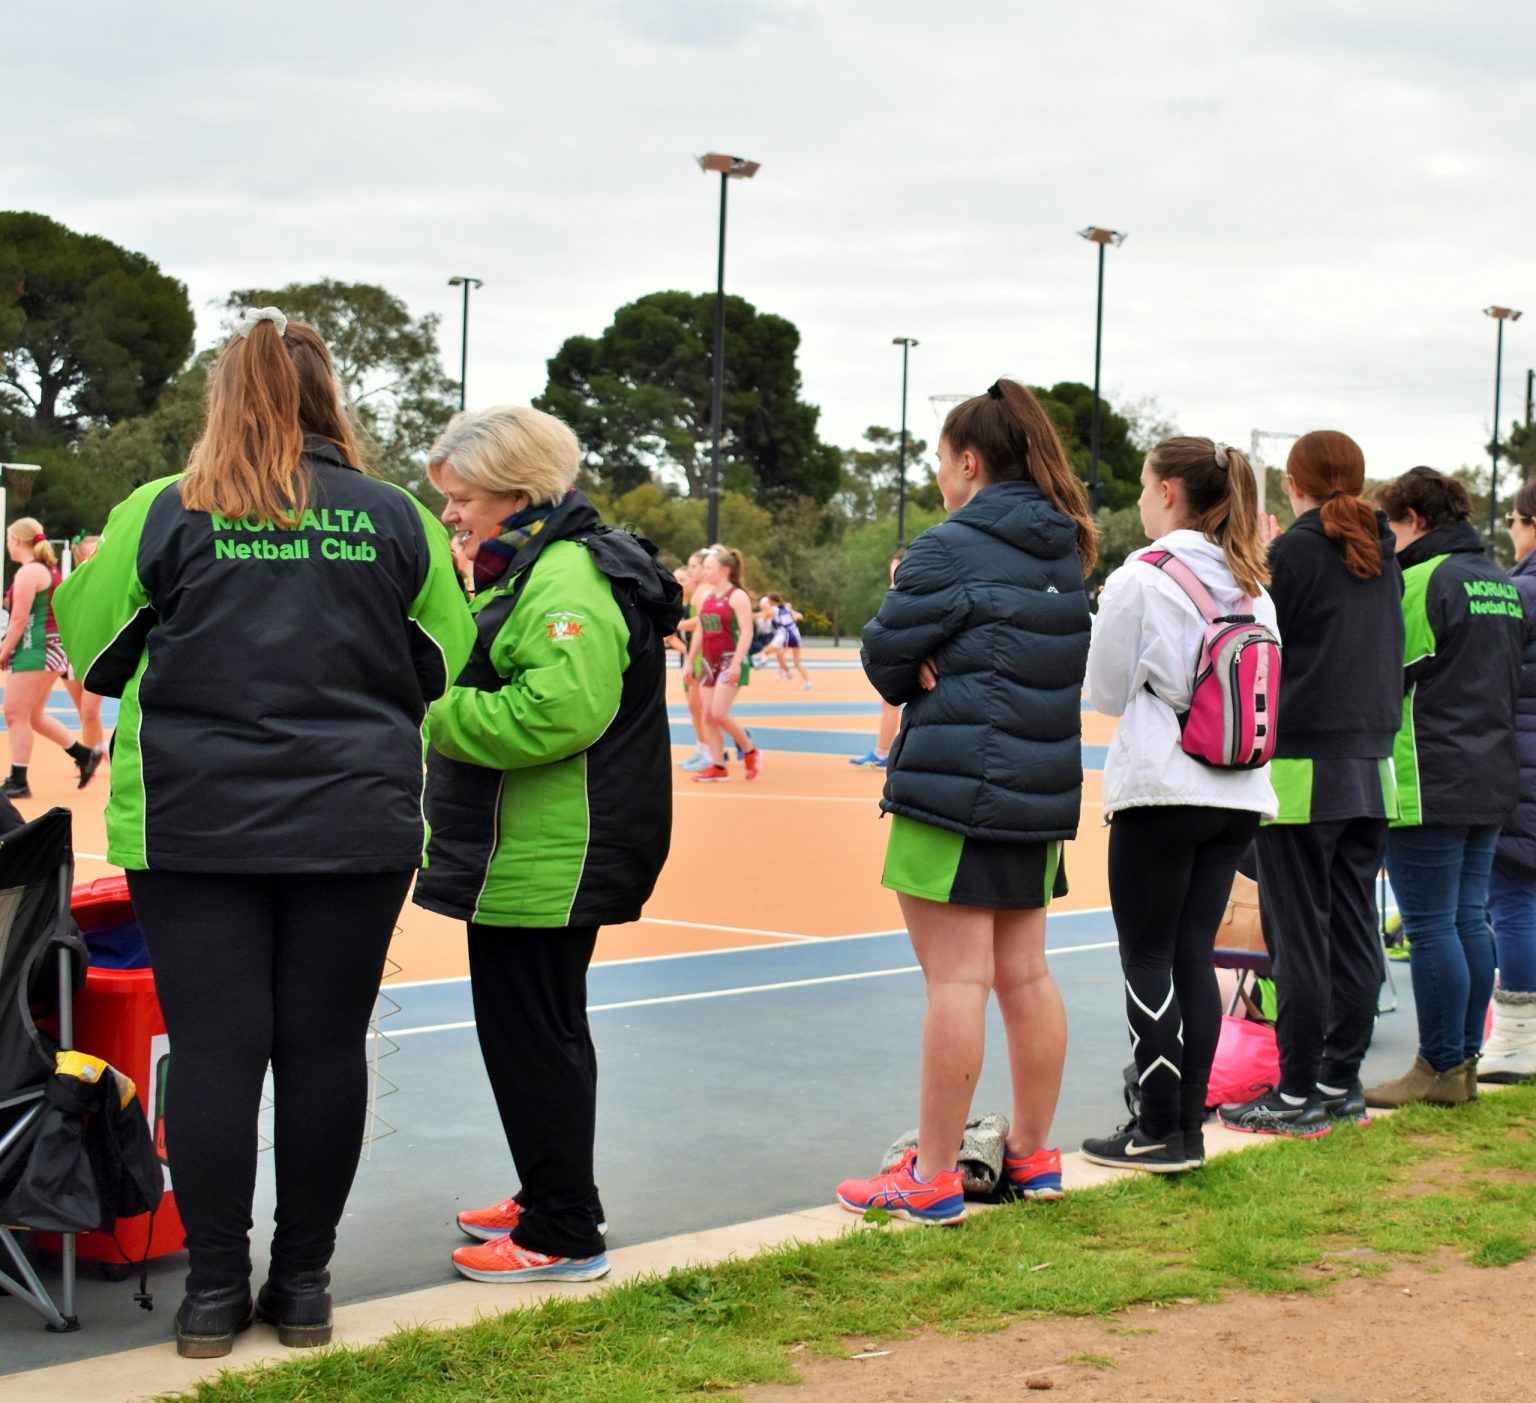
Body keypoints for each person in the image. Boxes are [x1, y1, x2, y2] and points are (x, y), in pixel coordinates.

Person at [53, 307, 475, 1358]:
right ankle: (303, 1285)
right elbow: (446, 661)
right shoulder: (395, 516)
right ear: (329, 396)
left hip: (194, 824)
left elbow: (87, 641)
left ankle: (207, 1294)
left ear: (224, 398)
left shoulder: (163, 508)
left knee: (212, 1051)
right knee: (325, 1046)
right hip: (354, 817)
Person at [414, 405, 679, 1284]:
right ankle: (551, 1194)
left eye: (461, 496)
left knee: (534, 1034)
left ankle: (563, 1231)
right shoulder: (537, 564)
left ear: (521, 490)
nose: (451, 513)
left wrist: (434, 712)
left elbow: (557, 713)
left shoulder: (564, 576)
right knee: (536, 1028)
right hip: (533, 844)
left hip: (553, 846)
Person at [834, 379, 1095, 1224]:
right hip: (1040, 790)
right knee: (1026, 976)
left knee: (955, 980)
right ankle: (1033, 1154)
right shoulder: (1066, 547)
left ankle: (934, 1172)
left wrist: (917, 656)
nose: (940, 475)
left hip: (955, 787)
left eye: (942, 460)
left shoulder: (947, 547)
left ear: (970, 462)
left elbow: (883, 661)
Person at [1081, 437, 1277, 1172]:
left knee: (1147, 955)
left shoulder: (1144, 575)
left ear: (1169, 492)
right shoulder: (1256, 585)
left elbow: (1104, 693)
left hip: (1162, 785)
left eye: (1141, 486)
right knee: (1194, 953)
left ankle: (1157, 1127)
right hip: (1239, 793)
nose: (1137, 499)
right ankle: (1187, 1126)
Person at [1219, 431, 1404, 1137]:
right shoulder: (1383, 552)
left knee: (1299, 936)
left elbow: (1263, 648)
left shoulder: (1294, 552)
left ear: (1295, 483)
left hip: (1301, 769)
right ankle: (1338, 1082)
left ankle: (1296, 1092)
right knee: (1356, 932)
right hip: (1370, 766)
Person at [1364, 467, 1524, 1108]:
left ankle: (1438, 1065)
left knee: (1431, 925)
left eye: (1392, 526)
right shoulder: (1499, 582)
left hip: (1427, 773)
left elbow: (1388, 667)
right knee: (1465, 920)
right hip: (1490, 769)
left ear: (1414, 519)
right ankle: (1460, 1064)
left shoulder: (1423, 580)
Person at [1482, 481, 1536, 1083]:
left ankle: (1519, 1038)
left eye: (1517, 524)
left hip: (1517, 760)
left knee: (1513, 899)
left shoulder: (1518, 592)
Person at [0, 519, 103, 797]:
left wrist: (5, 650)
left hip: (36, 649)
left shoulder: (29, 572)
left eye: (9, 539)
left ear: (18, 541)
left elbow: (20, 619)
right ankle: (84, 754)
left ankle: (18, 779)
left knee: (14, 713)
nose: (7, 544)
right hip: (48, 648)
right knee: (32, 716)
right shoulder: (45, 569)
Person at [687, 545, 761, 783]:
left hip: (730, 658)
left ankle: (749, 750)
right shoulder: (707, 597)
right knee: (708, 715)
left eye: (709, 568)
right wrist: (690, 661)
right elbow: (700, 630)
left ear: (724, 570)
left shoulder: (737, 597)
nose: (705, 572)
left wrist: (738, 662)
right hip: (709, 660)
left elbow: (747, 633)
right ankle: (718, 766)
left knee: (718, 712)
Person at [851, 550, 906, 770]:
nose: (891, 571)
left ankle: (883, 753)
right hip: (898, 652)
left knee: (891, 703)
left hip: (904, 653)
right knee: (890, 703)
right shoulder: (898, 590)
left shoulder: (906, 589)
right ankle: (882, 752)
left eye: (895, 566)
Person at [59, 533, 107, 759]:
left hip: (99, 651)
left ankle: (88, 760)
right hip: (73, 651)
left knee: (89, 710)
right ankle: (101, 750)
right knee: (84, 712)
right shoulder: (71, 583)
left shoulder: (110, 582)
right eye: (90, 553)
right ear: (80, 558)